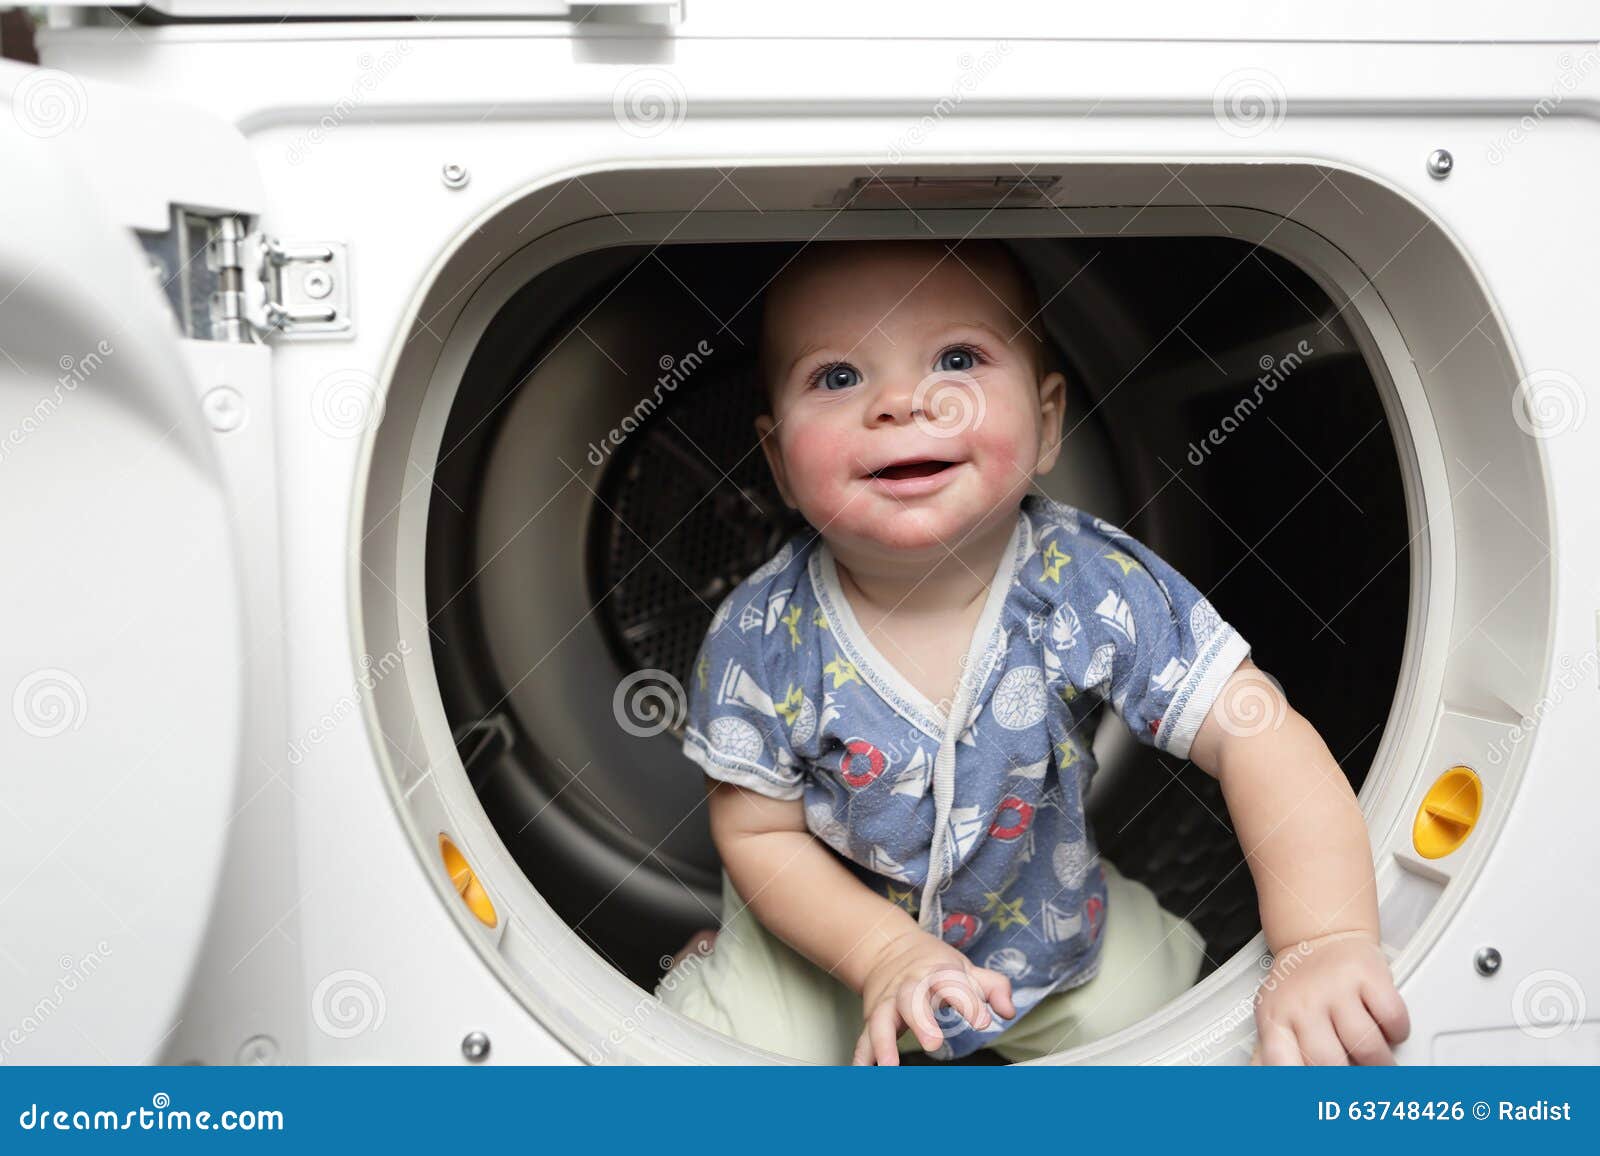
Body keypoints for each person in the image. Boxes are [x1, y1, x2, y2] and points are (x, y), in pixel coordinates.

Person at [654, 238, 1410, 1066]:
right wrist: (883, 955)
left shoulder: (1089, 585)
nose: (906, 400)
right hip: (825, 952)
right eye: (838, 376)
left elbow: (1255, 729)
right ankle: (716, 968)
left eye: (957, 357)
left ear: (1047, 423)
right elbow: (761, 839)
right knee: (723, 1055)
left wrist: (1321, 938)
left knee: (1192, 1038)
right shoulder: (761, 635)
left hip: (1045, 933)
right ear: (779, 464)